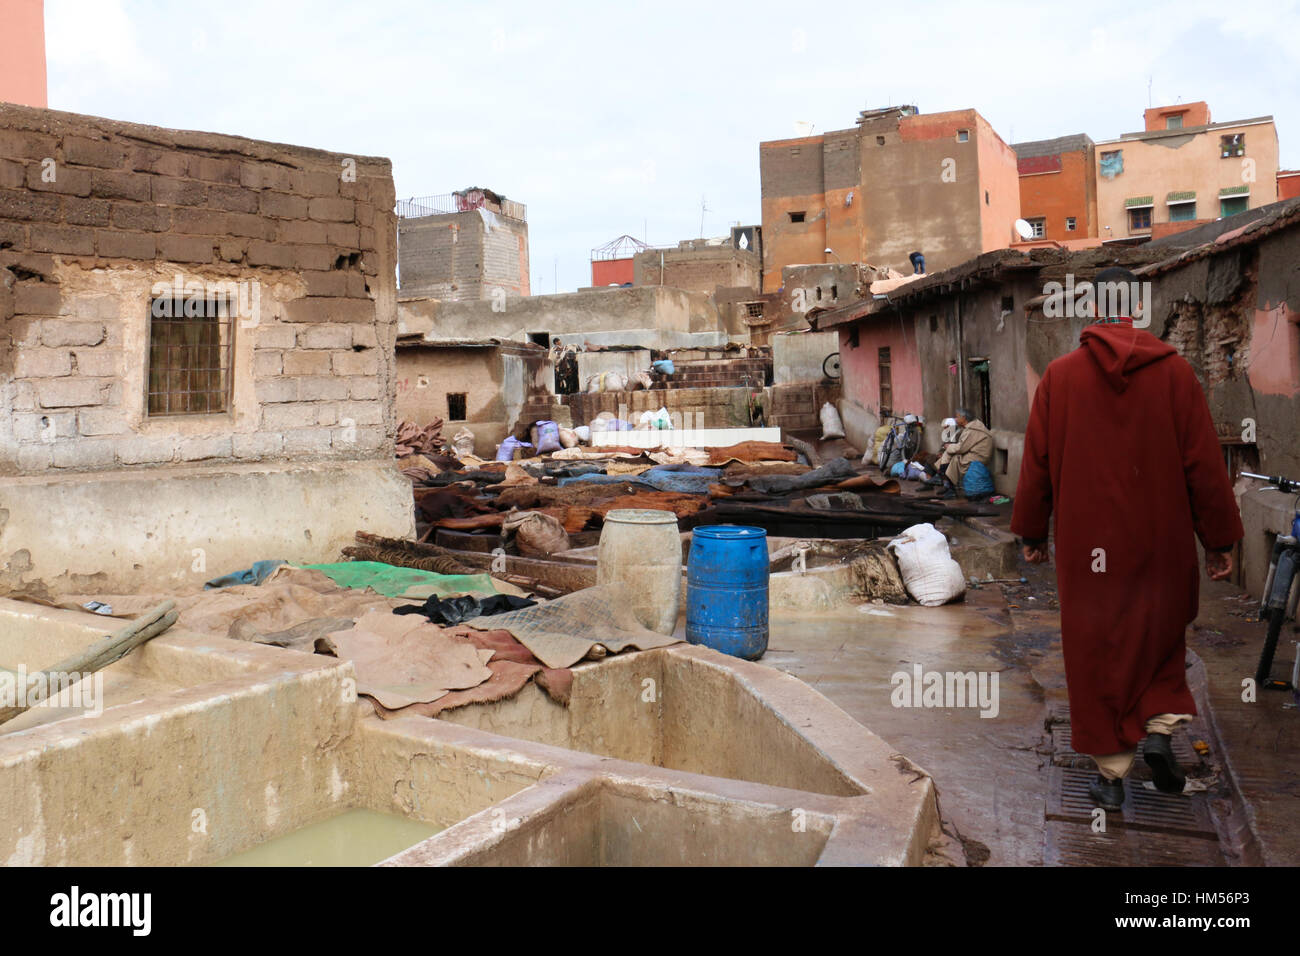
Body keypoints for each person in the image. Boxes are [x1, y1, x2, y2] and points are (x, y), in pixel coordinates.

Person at [1011, 266, 1242, 811]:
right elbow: (1205, 468)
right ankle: (1159, 731)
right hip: (1160, 547)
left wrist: (1030, 531)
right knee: (1159, 642)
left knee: (1097, 652)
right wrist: (1220, 540)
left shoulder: (1060, 379)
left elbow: (1035, 467)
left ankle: (1112, 778)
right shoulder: (1177, 375)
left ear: (1092, 309)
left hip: (1087, 554)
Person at [931, 407, 992, 498]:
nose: (955, 419)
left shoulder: (972, 430)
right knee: (948, 454)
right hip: (971, 453)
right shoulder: (968, 428)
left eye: (957, 417)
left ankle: (948, 486)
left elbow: (961, 448)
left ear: (964, 418)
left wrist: (948, 447)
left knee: (955, 459)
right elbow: (961, 445)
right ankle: (944, 481)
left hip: (979, 456)